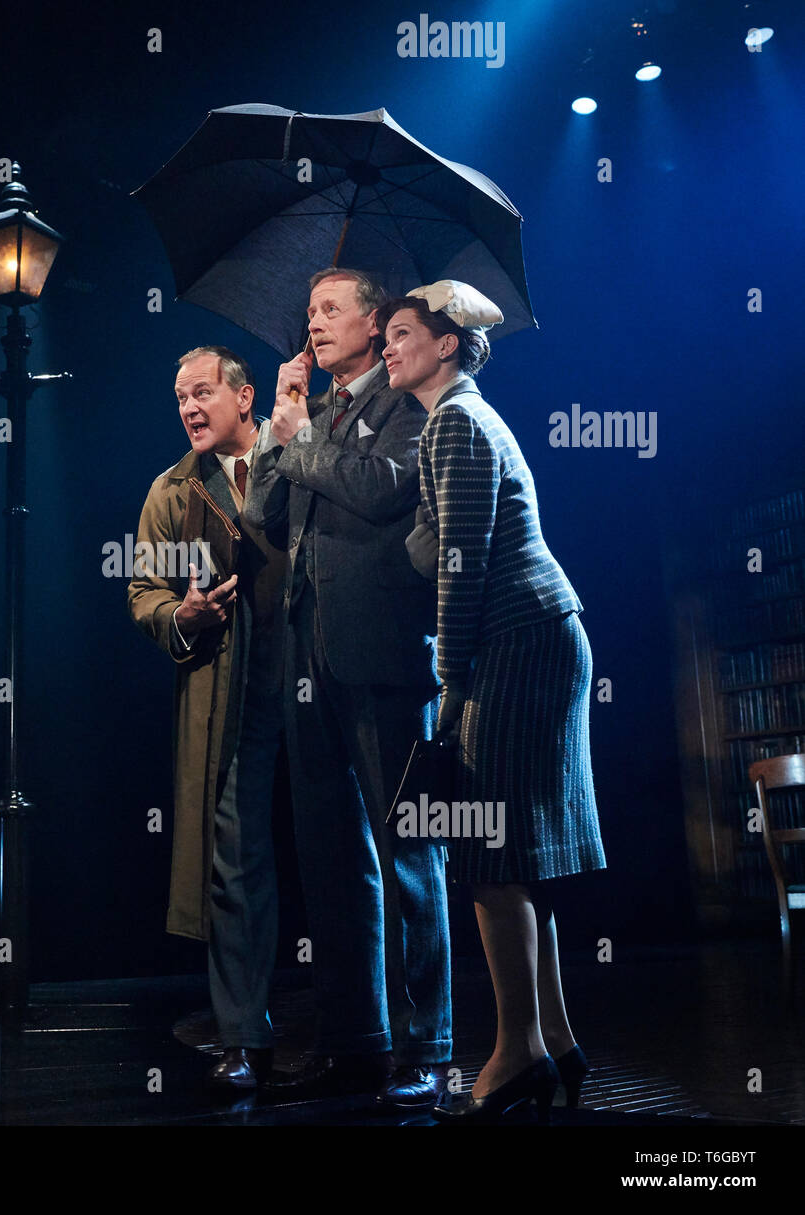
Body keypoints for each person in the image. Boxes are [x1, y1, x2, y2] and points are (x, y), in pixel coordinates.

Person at [376, 280, 608, 1123]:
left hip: (517, 642)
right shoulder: (456, 424)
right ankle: (552, 1037)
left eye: (402, 333)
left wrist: (450, 676)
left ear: (446, 344)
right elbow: (440, 544)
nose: (388, 345)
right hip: (533, 637)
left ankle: (517, 1053)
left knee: (486, 848)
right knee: (514, 852)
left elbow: (460, 566)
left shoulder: (458, 422)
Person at [243, 268, 451, 1109]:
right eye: (309, 313)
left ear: (375, 323)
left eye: (331, 309)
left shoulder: (408, 402)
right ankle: (355, 1038)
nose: (315, 322)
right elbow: (263, 515)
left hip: (383, 653)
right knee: (330, 857)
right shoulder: (311, 411)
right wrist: (277, 430)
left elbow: (379, 490)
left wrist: (303, 442)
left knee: (407, 853)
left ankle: (426, 1045)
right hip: (308, 661)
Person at [128, 345, 289, 1090]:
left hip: (315, 676)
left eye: (201, 393)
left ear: (244, 396)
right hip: (229, 690)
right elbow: (144, 594)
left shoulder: (296, 456)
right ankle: (242, 1035)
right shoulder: (171, 490)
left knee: (342, 853)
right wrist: (183, 615)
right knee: (234, 864)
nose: (188, 407)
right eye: (179, 397)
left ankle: (371, 1031)